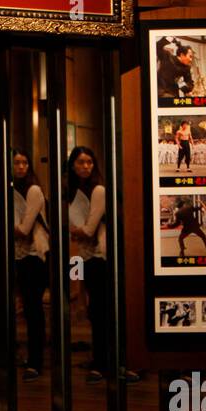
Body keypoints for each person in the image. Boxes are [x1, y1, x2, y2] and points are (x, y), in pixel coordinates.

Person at [68, 146, 136, 384]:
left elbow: (88, 229)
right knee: (96, 313)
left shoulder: (98, 189)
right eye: (80, 162)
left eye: (89, 162)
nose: (85, 166)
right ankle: (102, 361)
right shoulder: (74, 191)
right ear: (72, 165)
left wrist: (76, 231)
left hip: (103, 256)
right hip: (88, 257)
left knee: (106, 312)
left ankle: (114, 362)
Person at [12, 150, 50, 381]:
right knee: (27, 308)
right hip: (20, 255)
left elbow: (24, 229)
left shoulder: (33, 190)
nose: (20, 167)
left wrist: (9, 227)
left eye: (24, 162)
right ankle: (32, 357)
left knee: (34, 309)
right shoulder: (11, 190)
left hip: (36, 254)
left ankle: (36, 361)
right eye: (17, 163)